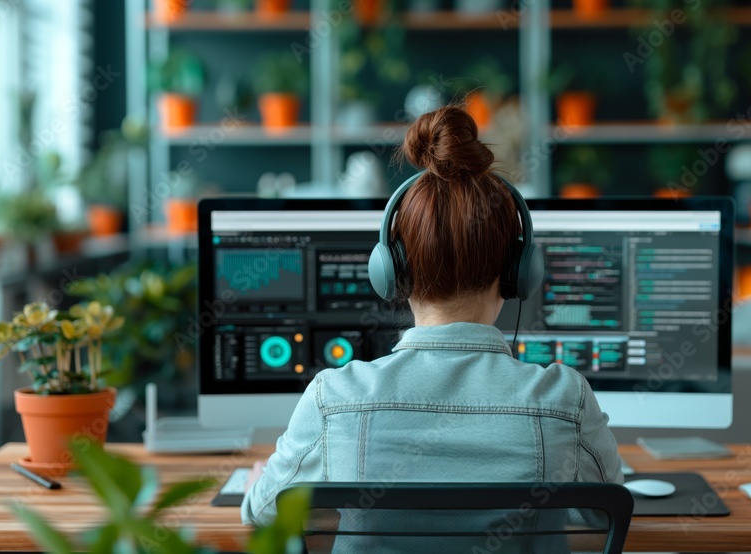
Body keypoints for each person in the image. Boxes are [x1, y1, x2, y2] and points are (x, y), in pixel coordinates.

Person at [241, 105, 621, 530]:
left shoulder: (334, 400)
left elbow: (263, 514)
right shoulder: (565, 399)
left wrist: (261, 484)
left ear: (394, 271)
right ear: (517, 272)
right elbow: (603, 514)